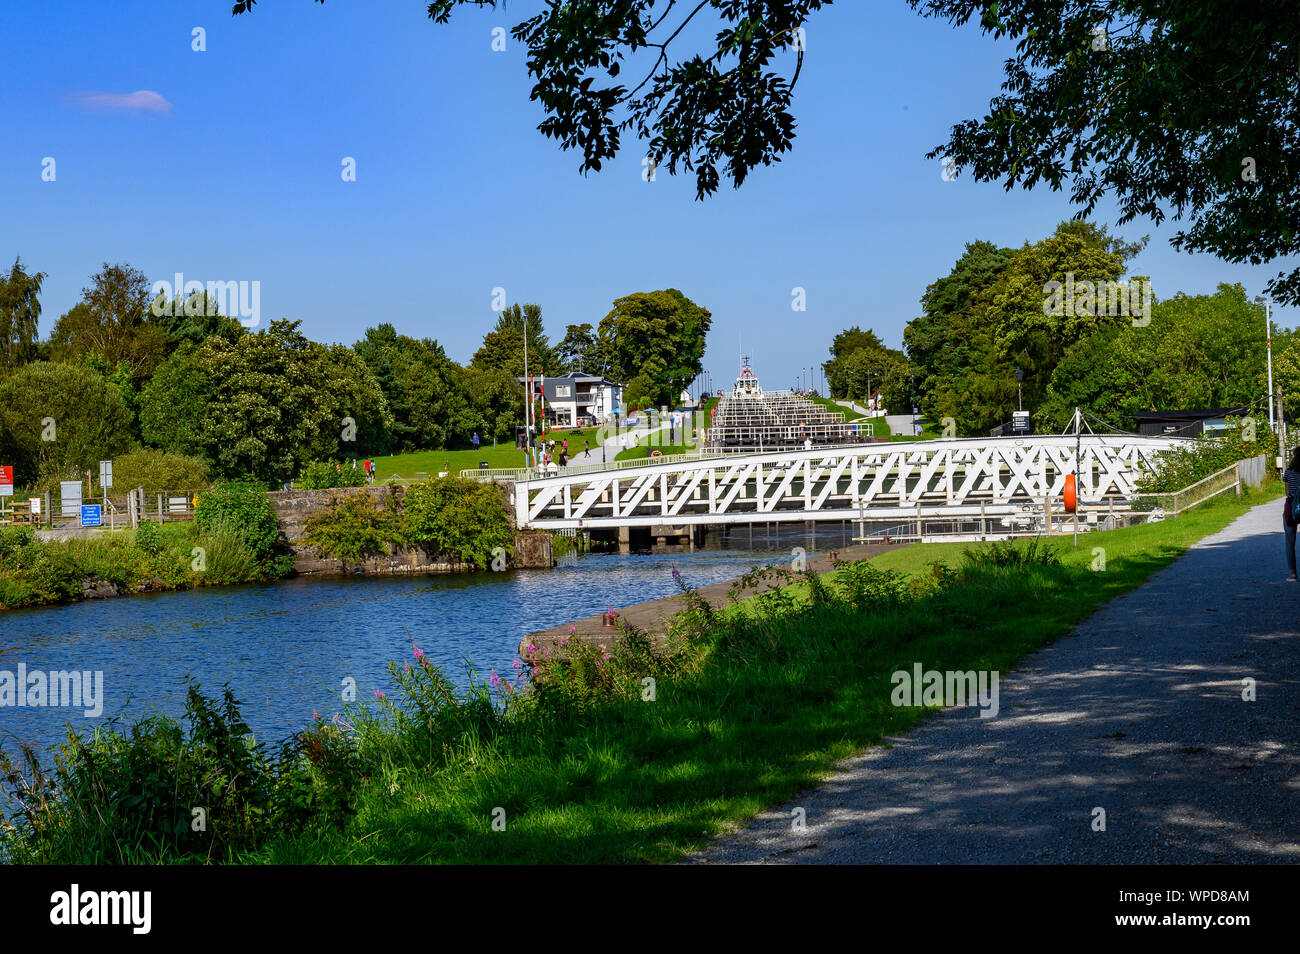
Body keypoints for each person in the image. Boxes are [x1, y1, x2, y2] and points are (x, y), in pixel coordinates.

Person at [1284, 447, 1300, 580]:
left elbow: (1287, 493)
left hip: (1292, 509)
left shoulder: (1288, 473)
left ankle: (1292, 573)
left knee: (1290, 541)